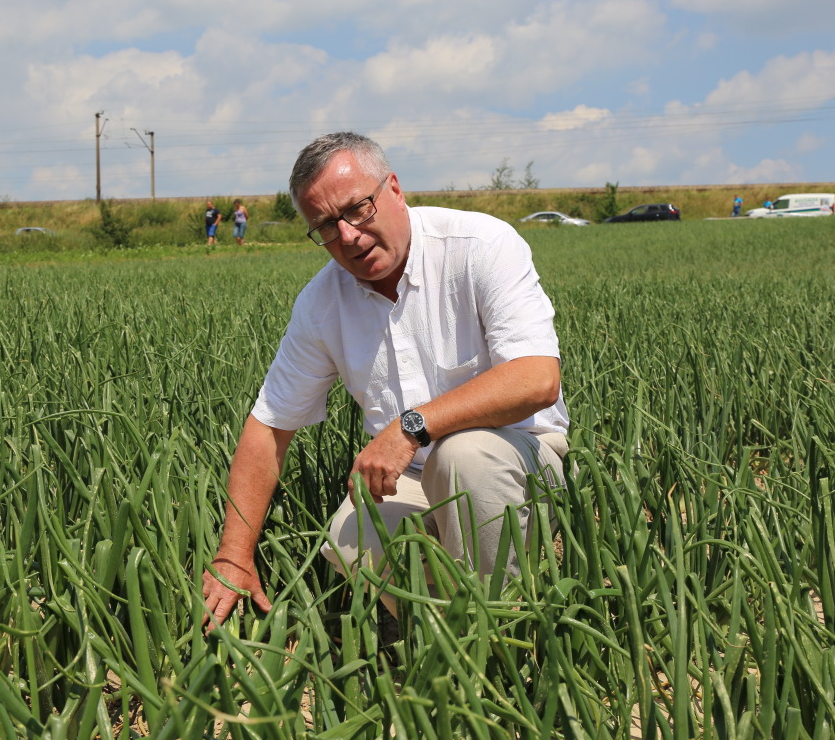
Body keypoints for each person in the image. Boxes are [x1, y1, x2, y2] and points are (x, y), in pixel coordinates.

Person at [200, 132, 569, 631]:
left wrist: (411, 426)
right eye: (326, 226)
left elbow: (536, 379)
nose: (347, 236)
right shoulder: (321, 303)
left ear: (394, 188)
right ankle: (446, 640)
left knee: (463, 457)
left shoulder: (479, 245)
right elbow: (269, 427)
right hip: (412, 478)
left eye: (357, 209)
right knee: (348, 535)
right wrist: (233, 557)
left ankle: (499, 640)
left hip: (517, 457)